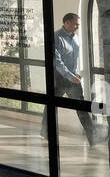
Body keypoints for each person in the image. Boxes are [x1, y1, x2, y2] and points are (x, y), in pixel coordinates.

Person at [41, 12, 98, 145]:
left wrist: (76, 74)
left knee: (80, 106)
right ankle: (46, 132)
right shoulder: (56, 37)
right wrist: (70, 76)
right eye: (75, 24)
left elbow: (74, 59)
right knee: (51, 105)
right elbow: (57, 61)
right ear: (67, 23)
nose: (77, 26)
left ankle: (93, 136)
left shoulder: (75, 38)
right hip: (60, 78)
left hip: (72, 77)